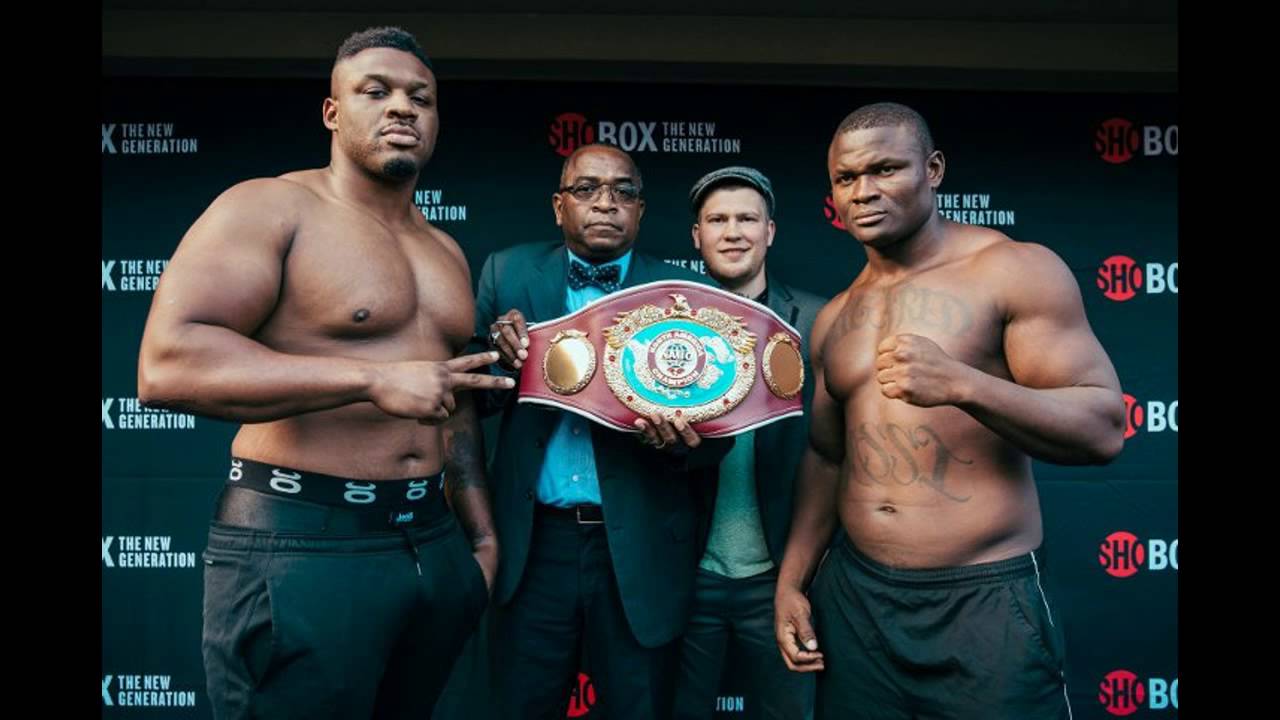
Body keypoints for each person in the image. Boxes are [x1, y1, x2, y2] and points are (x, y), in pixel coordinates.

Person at [136, 26, 512, 720]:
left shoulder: (445, 250)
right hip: (301, 541)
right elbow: (168, 363)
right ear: (332, 113)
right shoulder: (271, 207)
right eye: (376, 91)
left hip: (430, 545)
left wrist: (480, 539)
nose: (402, 107)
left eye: (420, 98)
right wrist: (368, 379)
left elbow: (451, 406)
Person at [773, 102, 1125, 720]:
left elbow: (1102, 428)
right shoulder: (835, 317)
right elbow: (827, 459)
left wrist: (964, 383)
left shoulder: (1012, 270)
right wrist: (792, 580)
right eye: (846, 178)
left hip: (983, 600)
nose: (864, 192)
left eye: (885, 169)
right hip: (856, 601)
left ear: (933, 169)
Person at [476, 142, 732, 719]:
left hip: (638, 548)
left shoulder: (683, 295)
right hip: (534, 545)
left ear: (641, 211)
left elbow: (720, 438)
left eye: (624, 192)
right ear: (558, 205)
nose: (606, 203)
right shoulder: (508, 273)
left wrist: (683, 446)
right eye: (587, 189)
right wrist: (501, 359)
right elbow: (468, 406)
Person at [673, 166, 825, 720]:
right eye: (717, 220)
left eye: (746, 219)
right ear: (697, 237)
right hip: (689, 576)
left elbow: (831, 457)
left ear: (770, 232)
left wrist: (798, 578)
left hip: (782, 577)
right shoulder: (665, 328)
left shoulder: (814, 320)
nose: (733, 231)